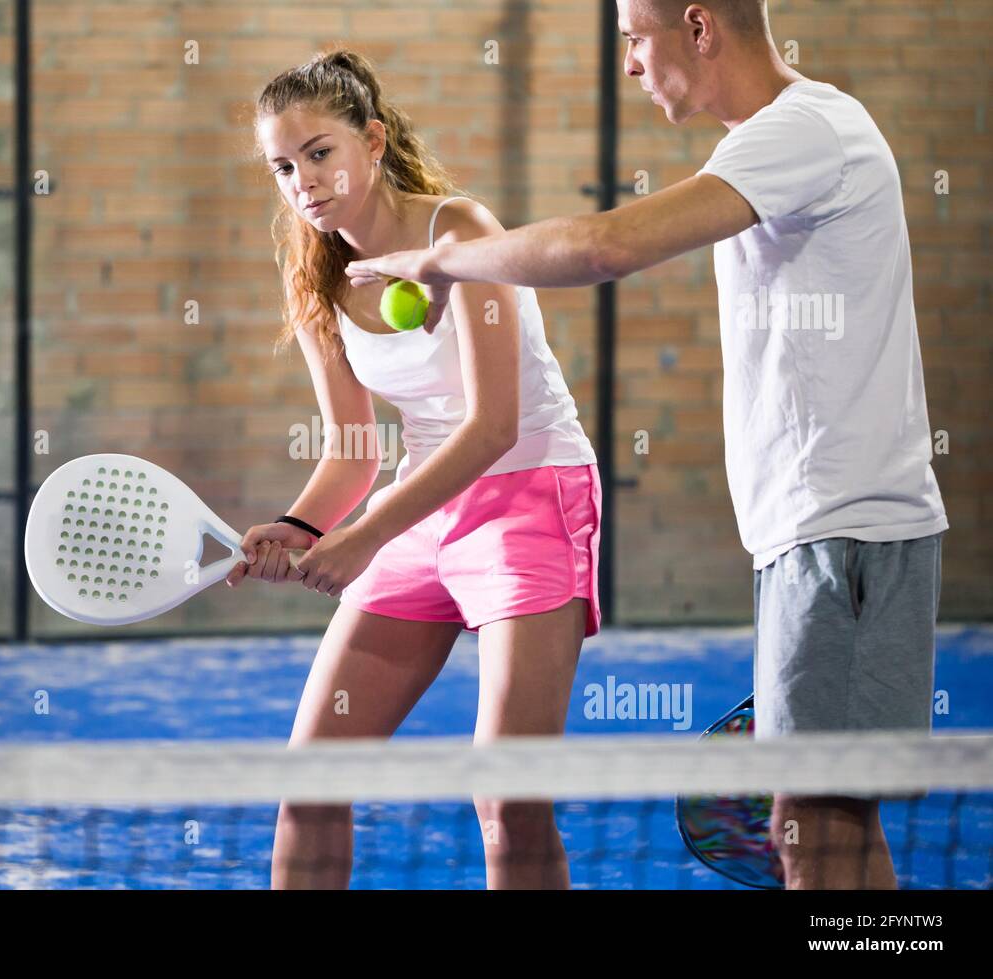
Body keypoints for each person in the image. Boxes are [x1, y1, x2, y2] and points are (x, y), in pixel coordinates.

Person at [345, 0, 948, 889]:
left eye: (635, 35)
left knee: (813, 826)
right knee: (828, 827)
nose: (628, 60)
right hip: (812, 541)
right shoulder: (769, 142)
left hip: (847, 537)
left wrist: (442, 260)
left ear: (698, 27)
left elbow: (602, 245)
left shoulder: (807, 128)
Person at [227, 48, 602, 889]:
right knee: (309, 784)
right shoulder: (314, 277)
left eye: (319, 153)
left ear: (373, 138)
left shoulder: (459, 231)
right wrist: (297, 526)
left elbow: (495, 426)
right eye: (283, 166)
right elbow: (352, 449)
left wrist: (360, 539)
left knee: (508, 798)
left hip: (531, 496)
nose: (303, 182)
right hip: (418, 514)